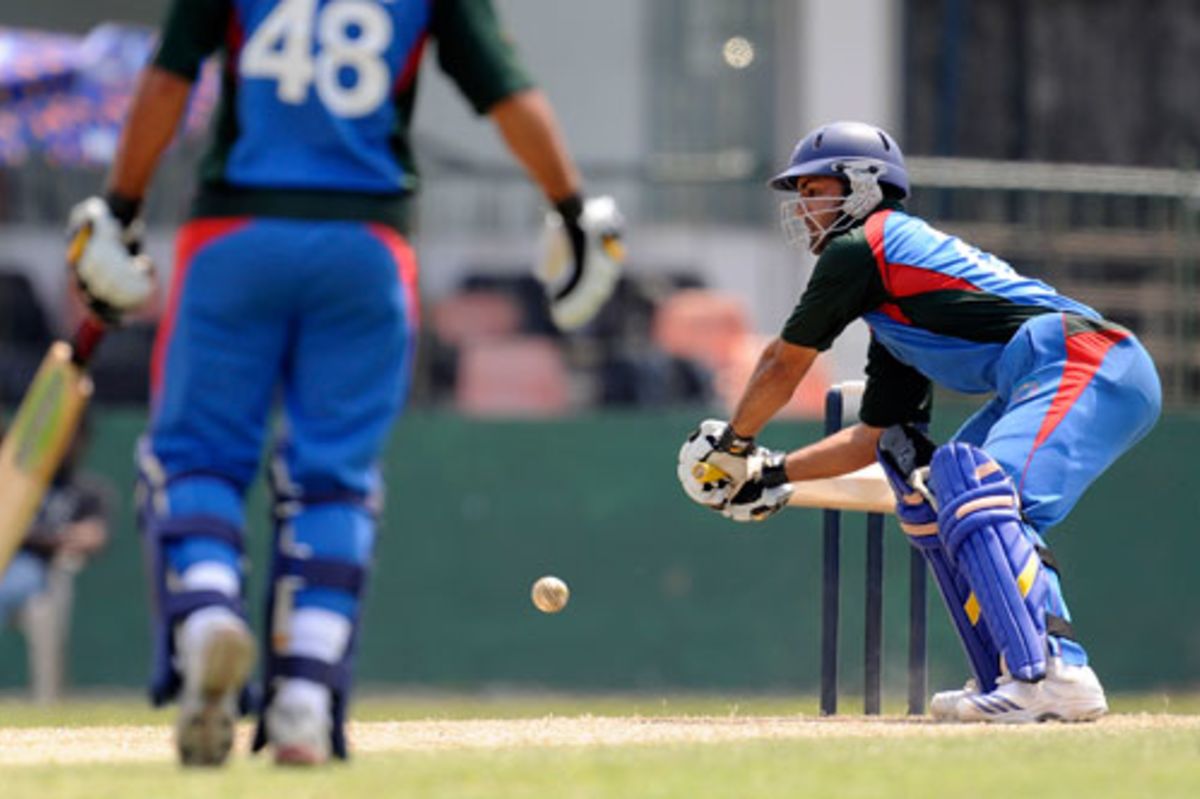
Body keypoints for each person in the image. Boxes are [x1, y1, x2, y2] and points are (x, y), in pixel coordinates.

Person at [65, 0, 621, 767]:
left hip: (236, 237)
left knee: (194, 459)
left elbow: (167, 84)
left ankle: (206, 614)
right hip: (367, 248)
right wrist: (570, 209)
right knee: (333, 481)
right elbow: (509, 96)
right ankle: (305, 696)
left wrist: (120, 208)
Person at [677, 121, 1161, 723]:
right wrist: (771, 473)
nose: (803, 208)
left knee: (980, 487)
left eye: (814, 190)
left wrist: (733, 442)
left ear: (861, 186)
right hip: (1062, 367)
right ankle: (1013, 677)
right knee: (932, 489)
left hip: (1083, 356)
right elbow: (876, 437)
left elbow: (784, 362)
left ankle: (1056, 670)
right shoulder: (891, 308)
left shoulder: (863, 247)